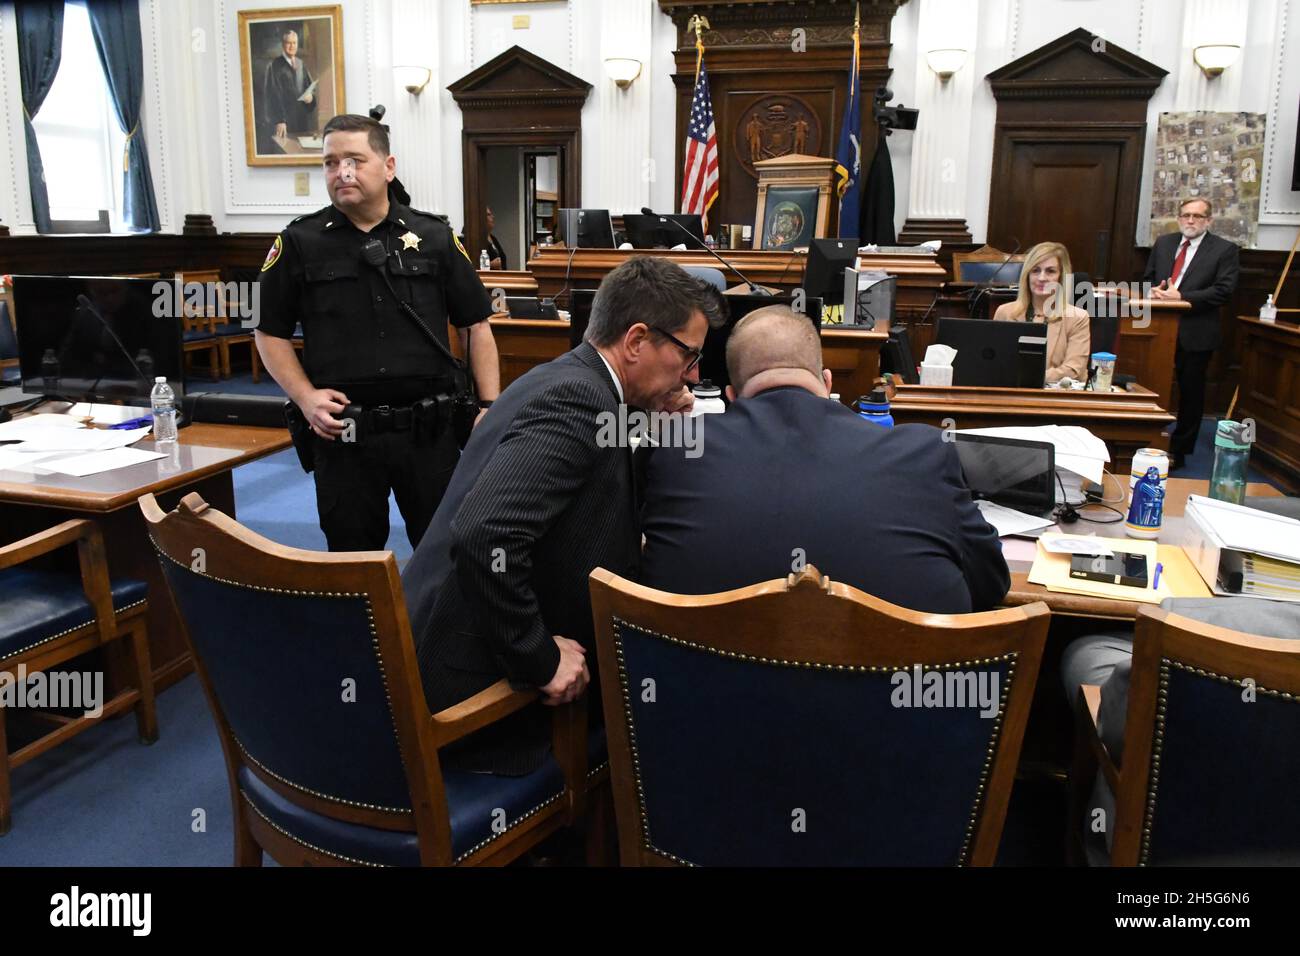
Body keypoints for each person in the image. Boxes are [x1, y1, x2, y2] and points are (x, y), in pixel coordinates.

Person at [401, 257, 722, 775]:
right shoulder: (579, 399)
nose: (694, 375)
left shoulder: (569, 380)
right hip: (472, 693)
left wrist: (648, 427)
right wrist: (539, 658)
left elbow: (593, 491)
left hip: (453, 643)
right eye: (689, 356)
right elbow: (487, 536)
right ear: (637, 341)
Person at [639, 305, 1009, 614]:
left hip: (701, 699)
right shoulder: (926, 452)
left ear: (732, 395)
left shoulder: (674, 451)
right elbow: (990, 584)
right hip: (896, 698)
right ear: (828, 383)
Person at [255, 113, 500, 552]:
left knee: (443, 556)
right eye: (330, 163)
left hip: (428, 431)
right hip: (344, 433)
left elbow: (476, 325)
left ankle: (434, 626)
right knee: (351, 559)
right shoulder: (299, 243)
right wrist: (305, 397)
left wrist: (488, 405)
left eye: (355, 160)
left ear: (388, 166)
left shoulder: (434, 237)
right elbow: (269, 334)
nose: (341, 172)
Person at [1143, 197, 1240, 471]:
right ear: (1179, 217)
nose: (1190, 221)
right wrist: (1153, 291)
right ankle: (1147, 440)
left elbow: (1224, 290)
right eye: (1186, 215)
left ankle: (1180, 450)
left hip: (1196, 331)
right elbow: (1147, 277)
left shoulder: (1224, 250)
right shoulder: (1164, 243)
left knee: (1190, 393)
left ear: (1208, 221)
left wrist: (1181, 296)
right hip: (1158, 329)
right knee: (1151, 387)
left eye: (1197, 216)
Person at [993, 241, 1090, 385]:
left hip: (1054, 399)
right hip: (1010, 393)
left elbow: (1073, 370)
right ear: (1027, 275)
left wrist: (1029, 378)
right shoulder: (1005, 312)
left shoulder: (1077, 317)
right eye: (1035, 270)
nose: (1041, 278)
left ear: (1061, 277)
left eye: (1050, 271)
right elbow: (994, 362)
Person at [262, 30, 316, 145]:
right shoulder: (274, 66)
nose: (292, 46)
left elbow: (310, 88)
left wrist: (310, 98)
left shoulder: (301, 64)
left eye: (294, 43)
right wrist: (279, 120)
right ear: (283, 44)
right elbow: (271, 96)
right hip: (284, 124)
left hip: (302, 121)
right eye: (288, 43)